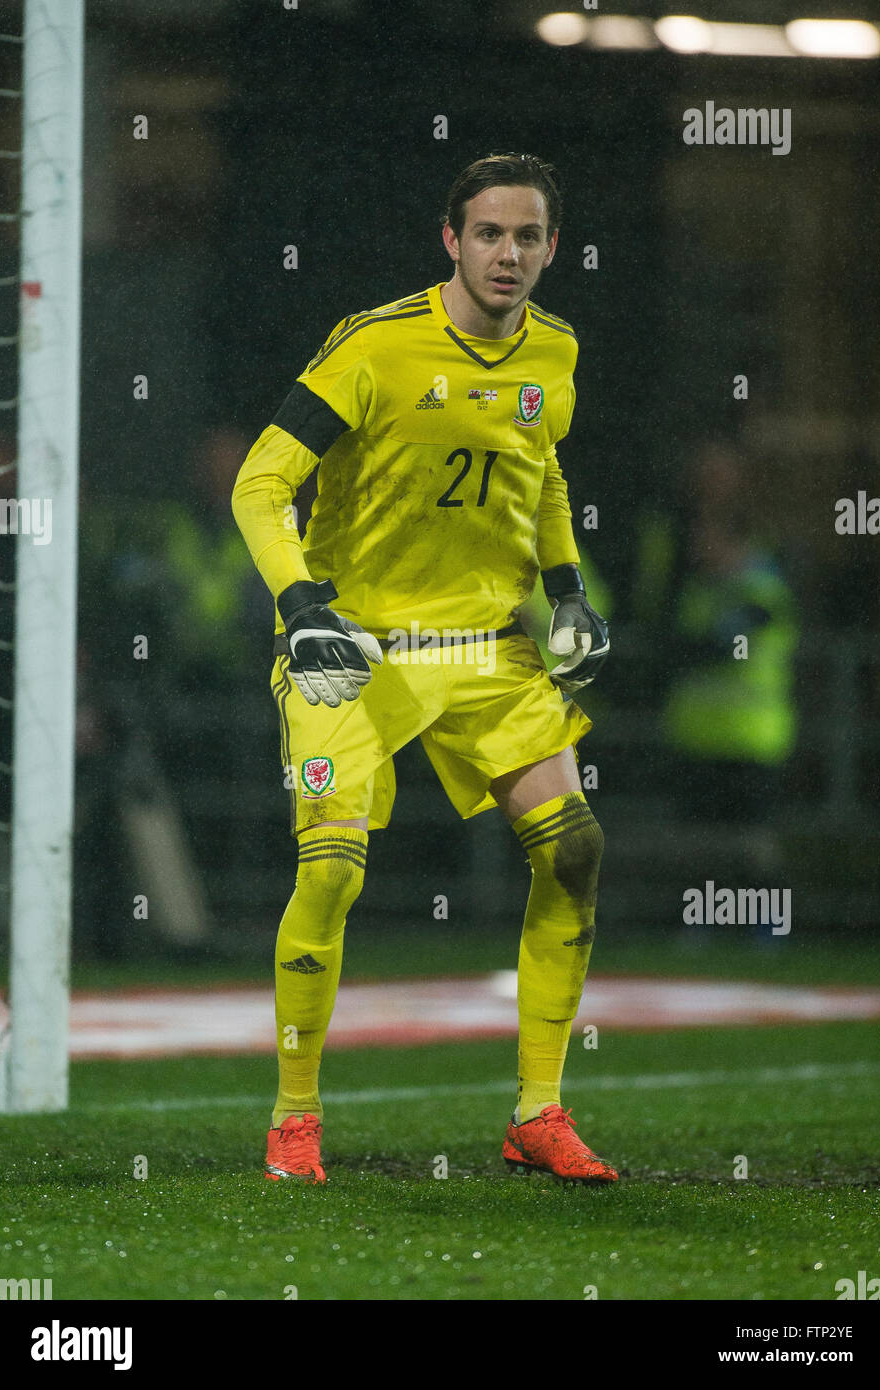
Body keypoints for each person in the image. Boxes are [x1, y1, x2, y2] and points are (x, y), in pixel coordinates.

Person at [231, 153, 617, 1186]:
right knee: (333, 869)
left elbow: (541, 470)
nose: (508, 254)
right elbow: (260, 483)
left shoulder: (557, 351)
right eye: (489, 234)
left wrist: (567, 585)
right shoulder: (376, 345)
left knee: (574, 848)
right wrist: (301, 604)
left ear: (549, 247)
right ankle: (294, 1120)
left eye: (528, 236)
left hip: (487, 647)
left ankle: (538, 1109)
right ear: (451, 241)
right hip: (354, 649)